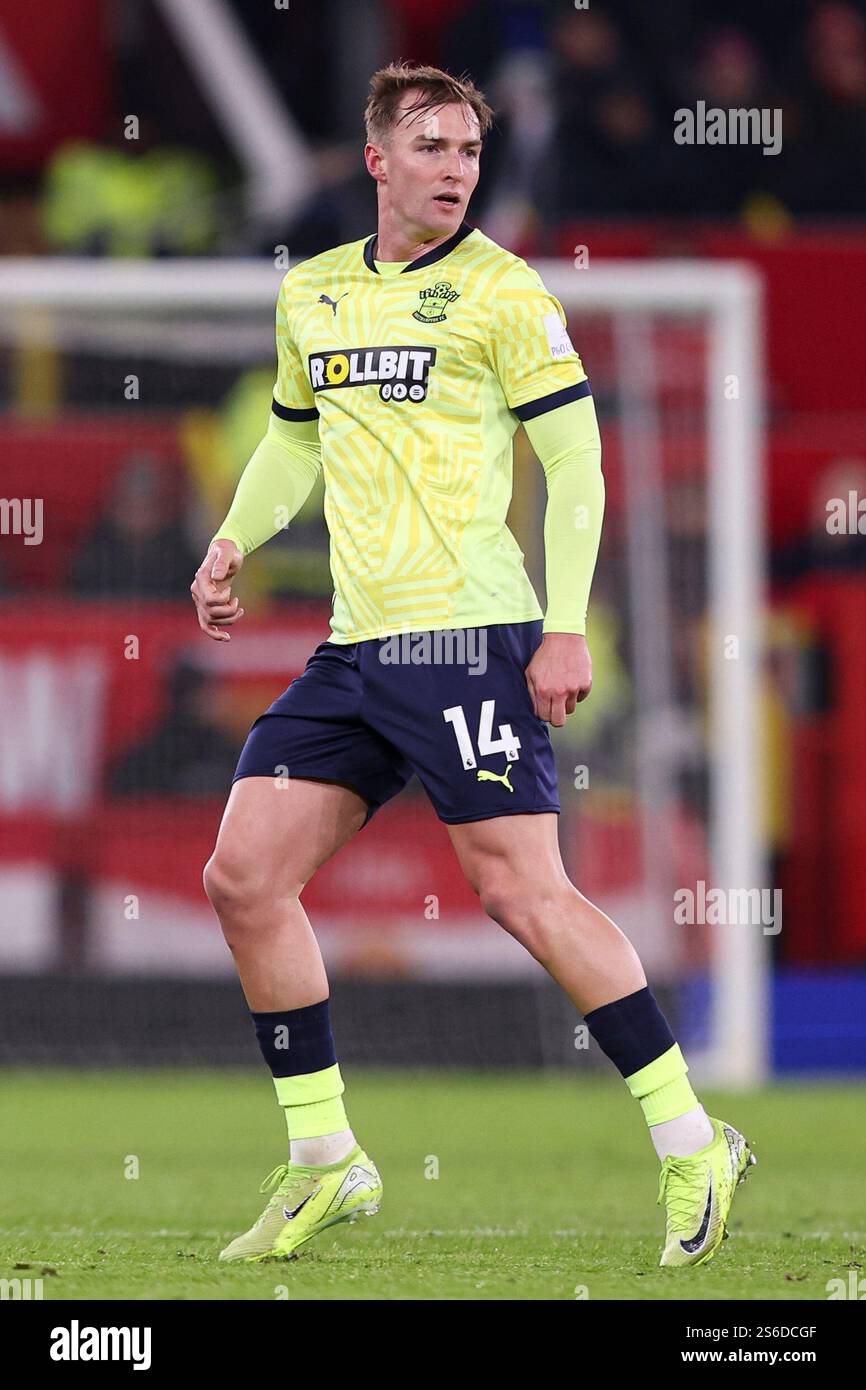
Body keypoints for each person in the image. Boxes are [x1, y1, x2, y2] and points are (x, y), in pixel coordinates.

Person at [190, 62, 755, 1268]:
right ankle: (326, 1163)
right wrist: (236, 535)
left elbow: (579, 469)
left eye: (468, 153)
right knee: (242, 876)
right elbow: (296, 444)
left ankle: (688, 1136)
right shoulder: (317, 295)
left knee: (521, 895)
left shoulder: (503, 294)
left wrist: (560, 627)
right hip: (354, 646)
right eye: (432, 148)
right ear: (376, 158)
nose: (454, 171)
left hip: (466, 637)